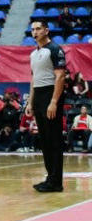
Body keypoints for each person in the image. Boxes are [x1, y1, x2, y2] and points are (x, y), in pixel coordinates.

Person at [26, 20, 67, 192]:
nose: (35, 32)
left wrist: (54, 102)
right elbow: (34, 78)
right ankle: (50, 178)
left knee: (54, 140)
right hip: (39, 96)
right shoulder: (34, 54)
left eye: (38, 29)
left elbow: (60, 77)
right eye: (33, 29)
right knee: (44, 141)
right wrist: (30, 102)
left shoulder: (55, 50)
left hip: (51, 95)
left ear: (46, 30)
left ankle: (56, 182)